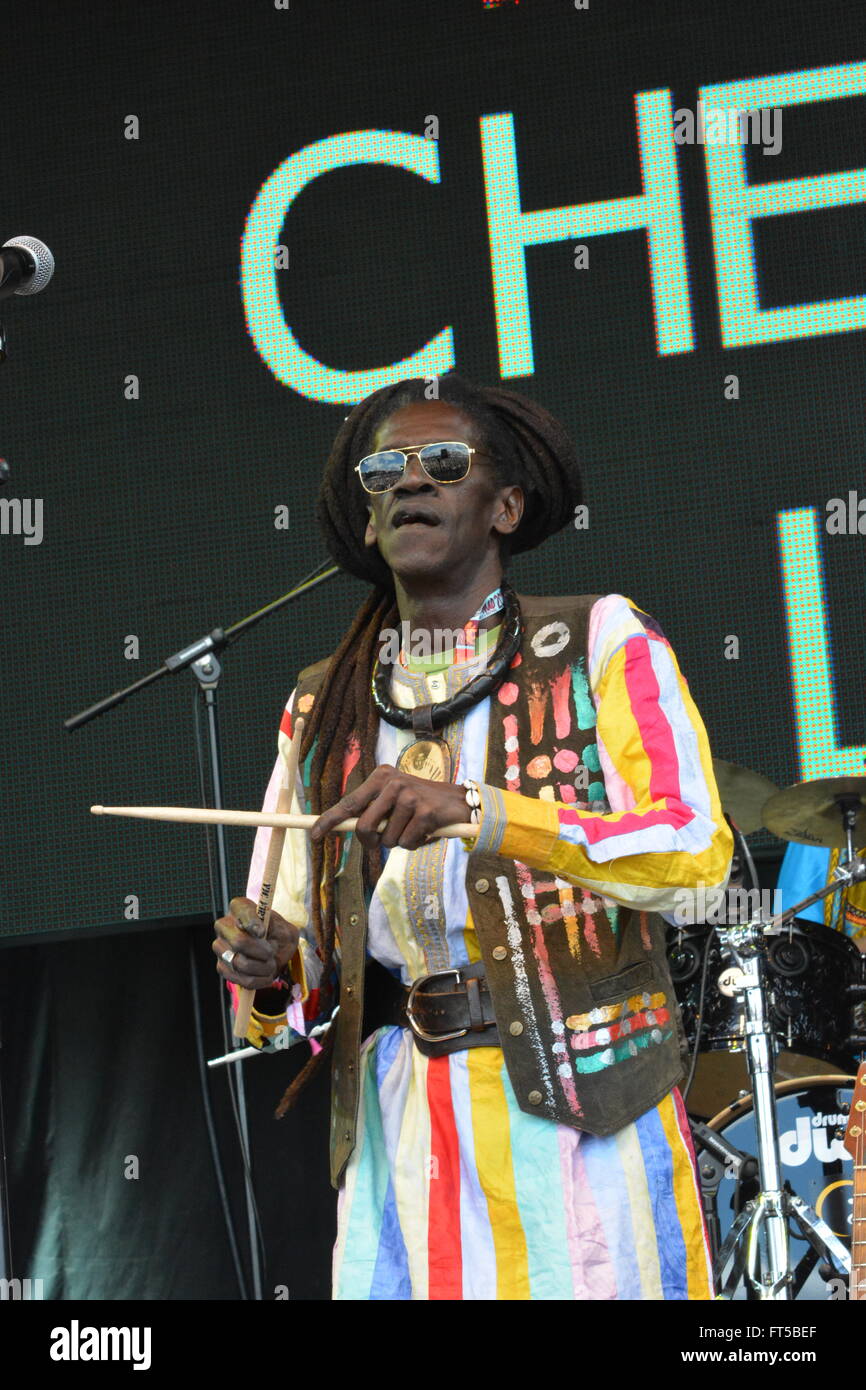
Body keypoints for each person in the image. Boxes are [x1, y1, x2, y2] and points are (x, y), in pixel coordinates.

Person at [212, 373, 733, 1300]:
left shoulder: (602, 642)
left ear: (506, 505)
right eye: (385, 470)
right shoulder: (321, 704)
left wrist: (482, 811)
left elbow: (695, 859)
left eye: (442, 463)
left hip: (584, 1116)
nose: (410, 483)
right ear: (366, 516)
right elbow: (289, 964)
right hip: (402, 1124)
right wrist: (266, 969)